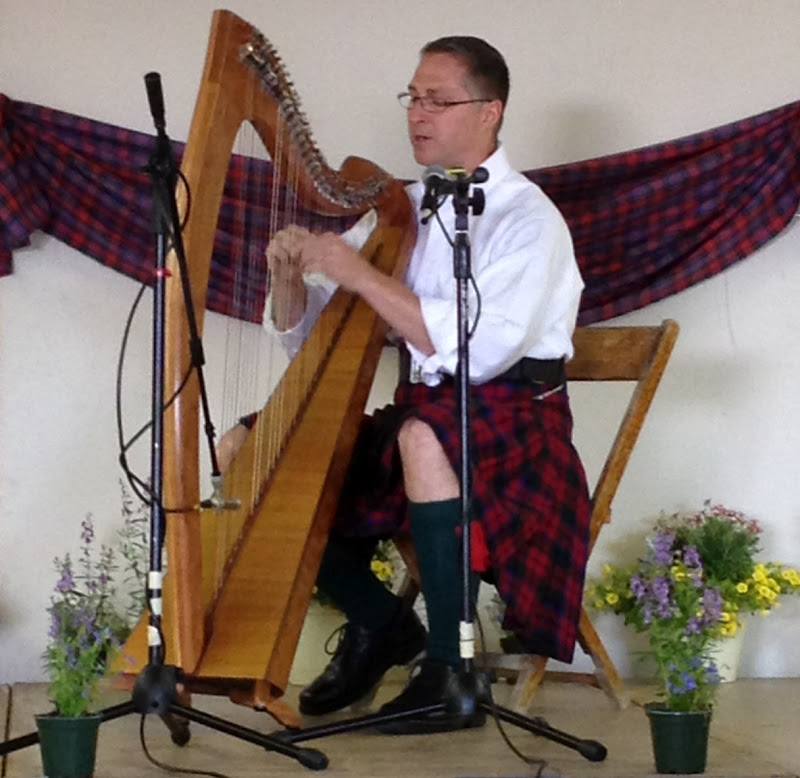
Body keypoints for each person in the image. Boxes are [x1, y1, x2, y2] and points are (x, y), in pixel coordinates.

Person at [220, 35, 591, 735]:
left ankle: (451, 671)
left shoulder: (529, 219)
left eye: (437, 100)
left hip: (519, 423)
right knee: (247, 447)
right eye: (413, 98)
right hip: (423, 416)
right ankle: (382, 621)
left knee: (421, 436)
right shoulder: (401, 209)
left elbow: (480, 354)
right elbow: (316, 337)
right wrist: (289, 280)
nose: (417, 114)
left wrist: (360, 274)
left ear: (489, 111)